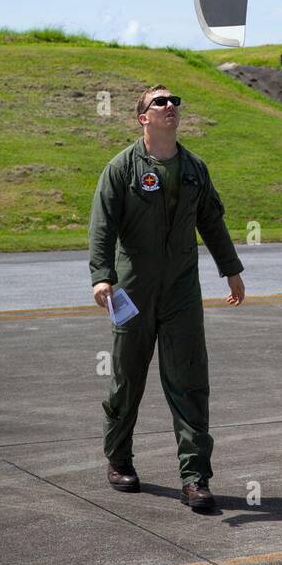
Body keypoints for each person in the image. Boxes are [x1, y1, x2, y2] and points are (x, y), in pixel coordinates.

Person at [89, 83, 245, 513]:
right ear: (143, 117)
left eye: (175, 100)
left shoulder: (195, 168)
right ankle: (119, 459)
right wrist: (102, 277)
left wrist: (230, 269)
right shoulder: (122, 168)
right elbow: (102, 223)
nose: (171, 106)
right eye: (160, 102)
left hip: (181, 290)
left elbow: (211, 221)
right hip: (133, 288)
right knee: (126, 378)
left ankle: (195, 478)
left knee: (190, 381)